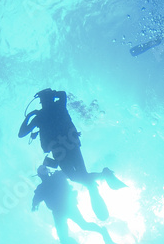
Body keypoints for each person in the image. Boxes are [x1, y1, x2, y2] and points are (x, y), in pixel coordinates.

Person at [19, 89, 126, 220]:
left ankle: (101, 176)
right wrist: (53, 94)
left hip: (59, 151)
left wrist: (30, 115)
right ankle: (99, 179)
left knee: (76, 177)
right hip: (71, 144)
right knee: (82, 175)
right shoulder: (59, 105)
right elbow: (62, 94)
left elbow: (21, 133)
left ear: (41, 101)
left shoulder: (39, 117)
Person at [32, 166, 117, 244]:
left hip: (67, 207)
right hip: (60, 211)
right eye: (42, 171)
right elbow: (35, 200)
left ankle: (101, 233)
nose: (43, 173)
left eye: (44, 170)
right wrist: (34, 205)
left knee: (83, 225)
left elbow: (78, 176)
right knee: (65, 238)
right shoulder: (43, 186)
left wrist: (92, 180)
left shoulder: (56, 176)